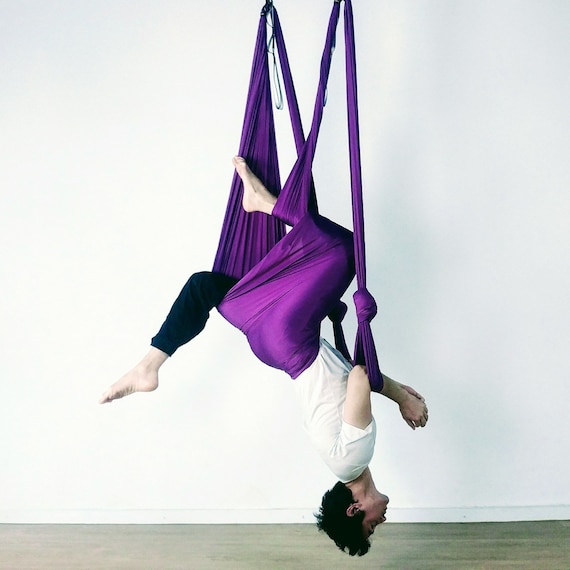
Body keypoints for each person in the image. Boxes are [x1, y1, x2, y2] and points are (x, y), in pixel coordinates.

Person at [100, 157, 428, 556]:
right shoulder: (341, 464)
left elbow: (360, 377)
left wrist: (401, 398)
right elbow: (347, 380)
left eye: (369, 529)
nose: (379, 525)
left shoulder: (355, 457)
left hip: (289, 340)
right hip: (273, 344)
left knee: (345, 251)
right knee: (207, 287)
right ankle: (149, 365)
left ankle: (265, 202)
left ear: (355, 508)